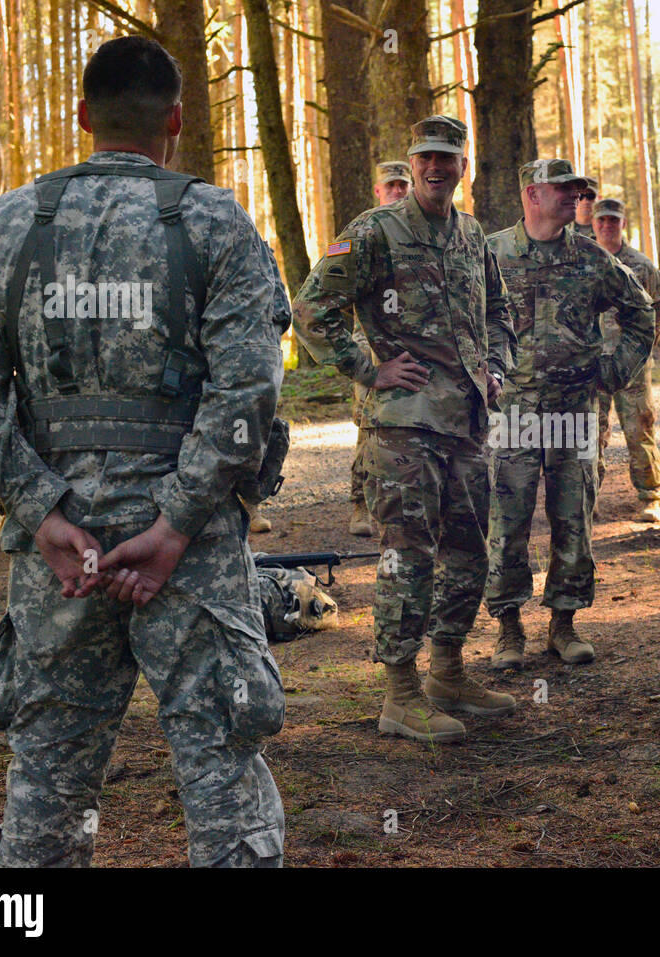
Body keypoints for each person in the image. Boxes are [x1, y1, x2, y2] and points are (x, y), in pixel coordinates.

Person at [0, 36, 289, 866]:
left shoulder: (5, 226)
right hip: (190, 556)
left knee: (47, 775)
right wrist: (173, 527)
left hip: (60, 556)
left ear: (84, 116)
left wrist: (41, 510)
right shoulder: (213, 221)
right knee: (223, 772)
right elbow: (249, 394)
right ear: (174, 118)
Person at [293, 115, 518, 744]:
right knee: (407, 557)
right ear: (411, 163)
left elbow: (498, 312)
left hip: (466, 422)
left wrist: (495, 365)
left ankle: (447, 671)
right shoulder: (376, 231)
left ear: (463, 167)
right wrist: (368, 368)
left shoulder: (472, 236)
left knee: (470, 553)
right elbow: (311, 307)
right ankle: (399, 692)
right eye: (425, 157)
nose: (437, 168)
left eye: (448, 158)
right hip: (406, 427)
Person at [484, 159, 654, 670]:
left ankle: (564, 623)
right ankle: (508, 629)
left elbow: (642, 311)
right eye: (564, 190)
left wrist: (612, 371)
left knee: (573, 518)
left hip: (575, 413)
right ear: (533, 193)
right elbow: (459, 320)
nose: (575, 198)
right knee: (506, 520)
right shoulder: (491, 255)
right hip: (511, 413)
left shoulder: (591, 258)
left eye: (578, 190)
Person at [591, 197, 660, 522]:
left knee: (639, 430)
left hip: (632, 369)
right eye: (602, 221)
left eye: (613, 220)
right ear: (594, 224)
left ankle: (650, 498)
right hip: (593, 365)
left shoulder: (640, 265)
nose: (607, 226)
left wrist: (642, 347)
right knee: (589, 433)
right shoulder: (583, 260)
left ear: (623, 223)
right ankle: (588, 499)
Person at [345, 160, 415, 539]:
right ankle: (360, 503)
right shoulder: (364, 232)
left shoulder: (418, 231)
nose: (398, 192)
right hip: (371, 348)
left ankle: (402, 504)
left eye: (403, 185)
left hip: (412, 346)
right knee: (369, 426)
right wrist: (356, 355)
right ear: (377, 190)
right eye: (391, 186)